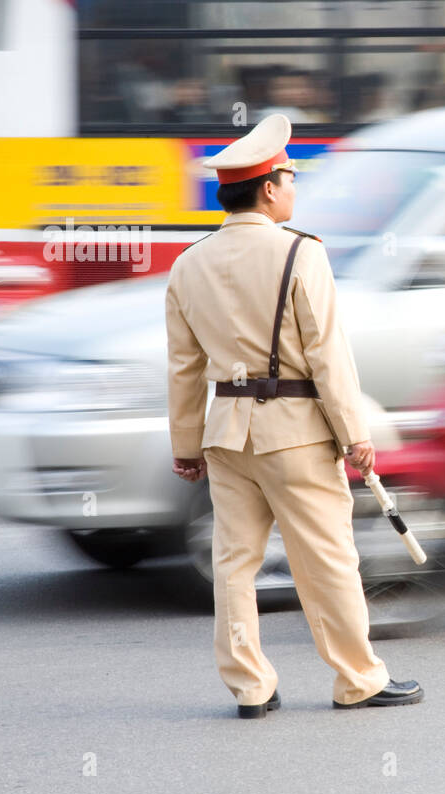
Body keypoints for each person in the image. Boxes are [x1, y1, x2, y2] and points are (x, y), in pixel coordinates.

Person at [165, 113, 422, 718]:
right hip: (296, 434)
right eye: (291, 178)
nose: (295, 189)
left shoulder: (187, 264)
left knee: (234, 563)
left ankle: (251, 688)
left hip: (226, 435)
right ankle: (357, 679)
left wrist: (185, 446)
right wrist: (354, 435)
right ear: (270, 188)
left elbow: (182, 368)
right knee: (326, 557)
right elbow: (329, 356)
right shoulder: (300, 254)